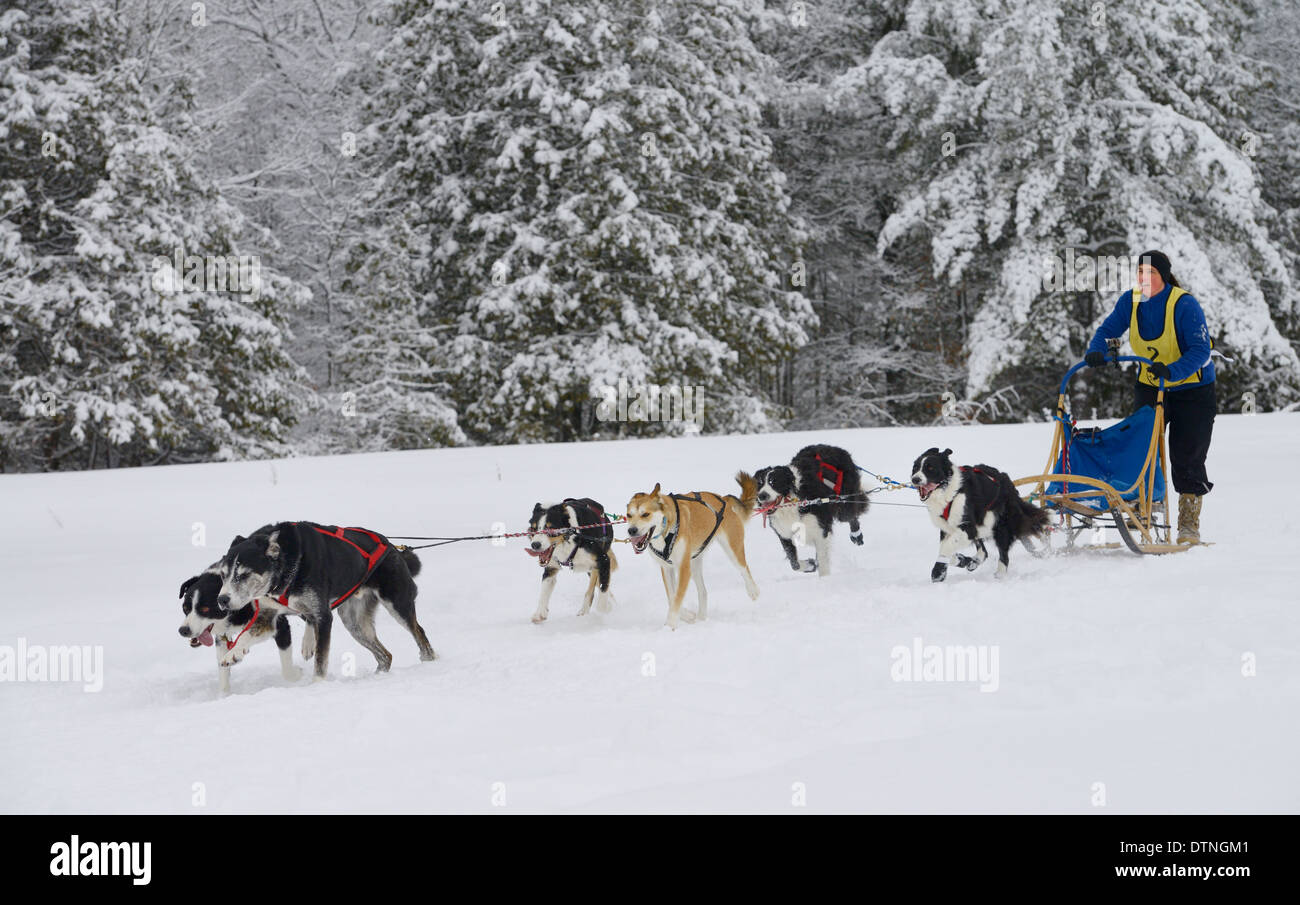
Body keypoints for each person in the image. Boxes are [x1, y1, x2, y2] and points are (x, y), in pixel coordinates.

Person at [1084, 250, 1215, 544]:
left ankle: (1188, 522)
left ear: (1164, 276)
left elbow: (1200, 350)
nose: (1144, 278)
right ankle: (1143, 508)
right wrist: (1097, 350)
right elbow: (1108, 330)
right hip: (1149, 384)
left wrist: (1172, 370)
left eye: (1151, 273)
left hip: (1192, 389)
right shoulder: (1131, 301)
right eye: (1140, 272)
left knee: (1187, 454)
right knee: (1142, 449)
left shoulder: (1184, 304)